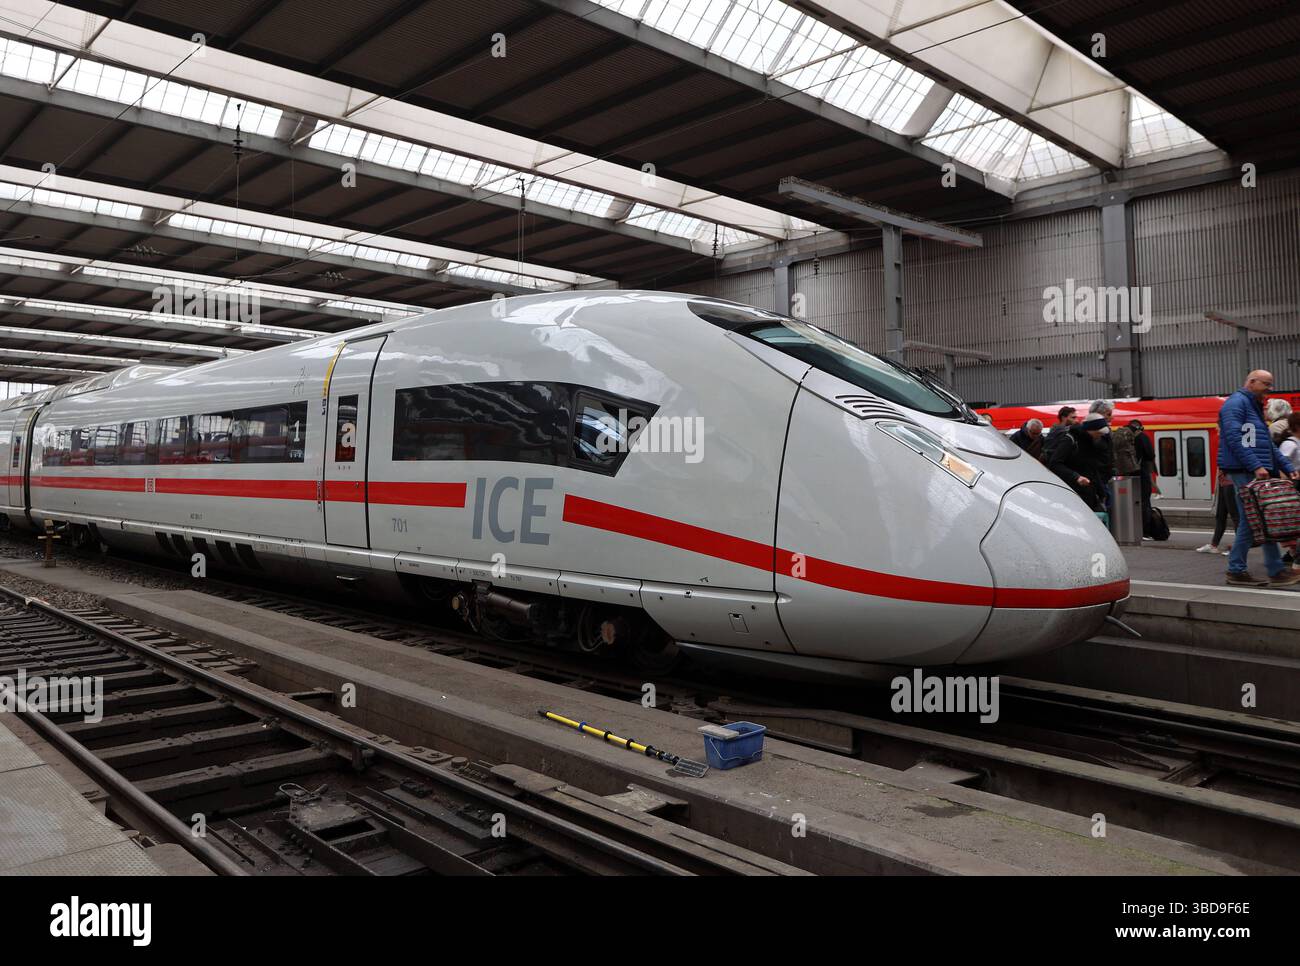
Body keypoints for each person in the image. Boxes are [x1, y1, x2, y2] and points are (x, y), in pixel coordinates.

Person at [1218, 370, 1300, 586]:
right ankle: (1250, 570)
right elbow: (1234, 438)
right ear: (1252, 382)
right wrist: (1255, 465)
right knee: (1255, 518)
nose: (1270, 389)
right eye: (1266, 384)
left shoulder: (1251, 405)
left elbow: (1266, 444)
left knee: (1257, 518)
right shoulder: (1236, 404)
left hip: (1250, 467)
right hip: (1243, 468)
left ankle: (1265, 570)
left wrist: (1286, 466)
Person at [1047, 415, 1109, 512]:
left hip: (1088, 492)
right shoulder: (1070, 440)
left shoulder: (1091, 441)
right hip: (1072, 493)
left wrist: (1101, 492)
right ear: (1091, 430)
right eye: (1099, 433)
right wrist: (1076, 477)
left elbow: (1092, 468)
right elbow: (1055, 464)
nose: (1100, 436)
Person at [1196, 468, 1238, 555]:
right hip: (1222, 482)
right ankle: (1213, 545)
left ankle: (1238, 547)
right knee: (1220, 514)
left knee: (1235, 516)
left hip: (1231, 482)